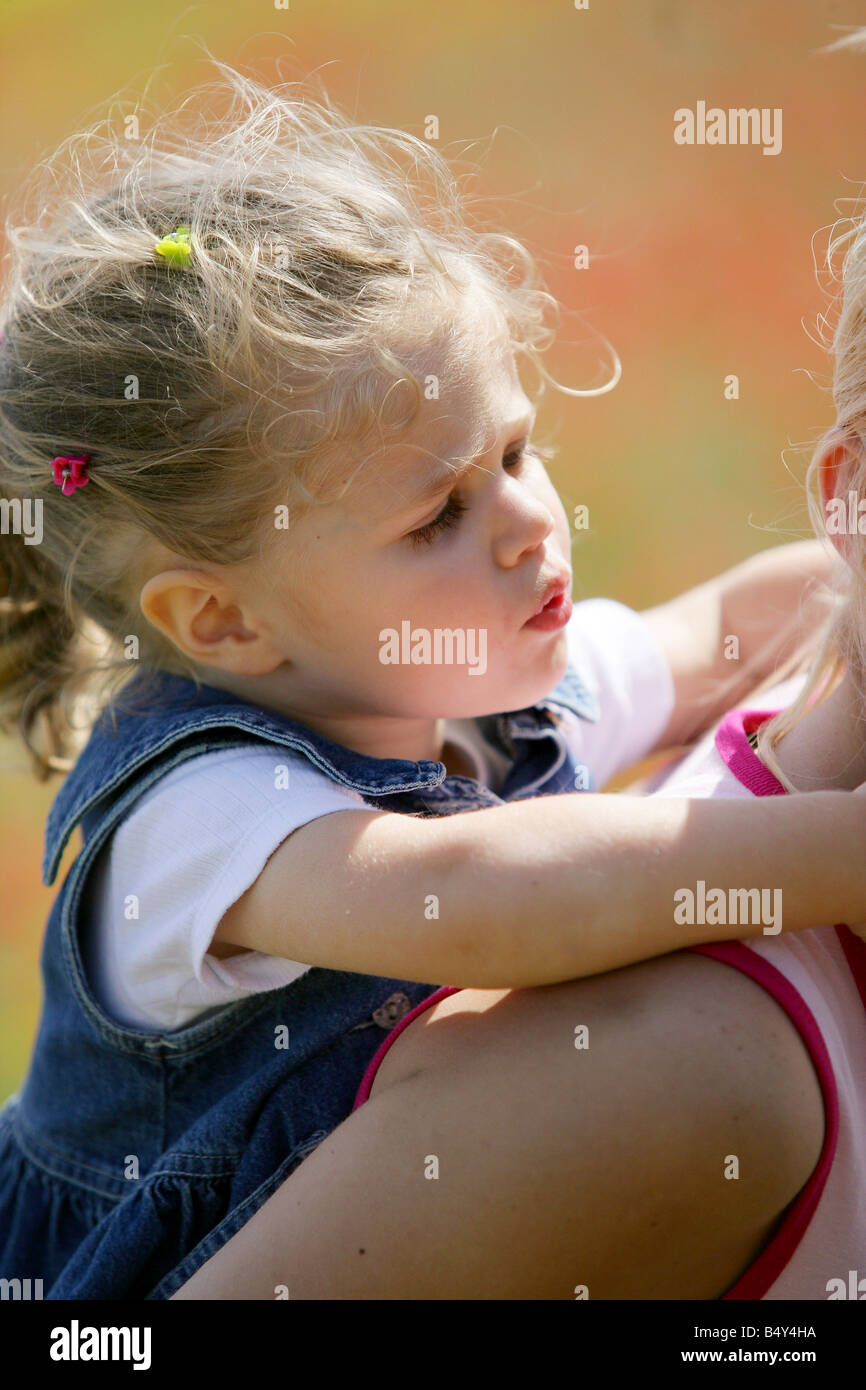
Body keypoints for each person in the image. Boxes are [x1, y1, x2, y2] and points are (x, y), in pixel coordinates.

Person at [1, 63, 863, 1302]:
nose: (526, 523)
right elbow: (468, 900)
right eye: (436, 515)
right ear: (224, 619)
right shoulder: (193, 816)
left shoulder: (493, 693)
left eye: (516, 450)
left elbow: (713, 628)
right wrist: (844, 850)